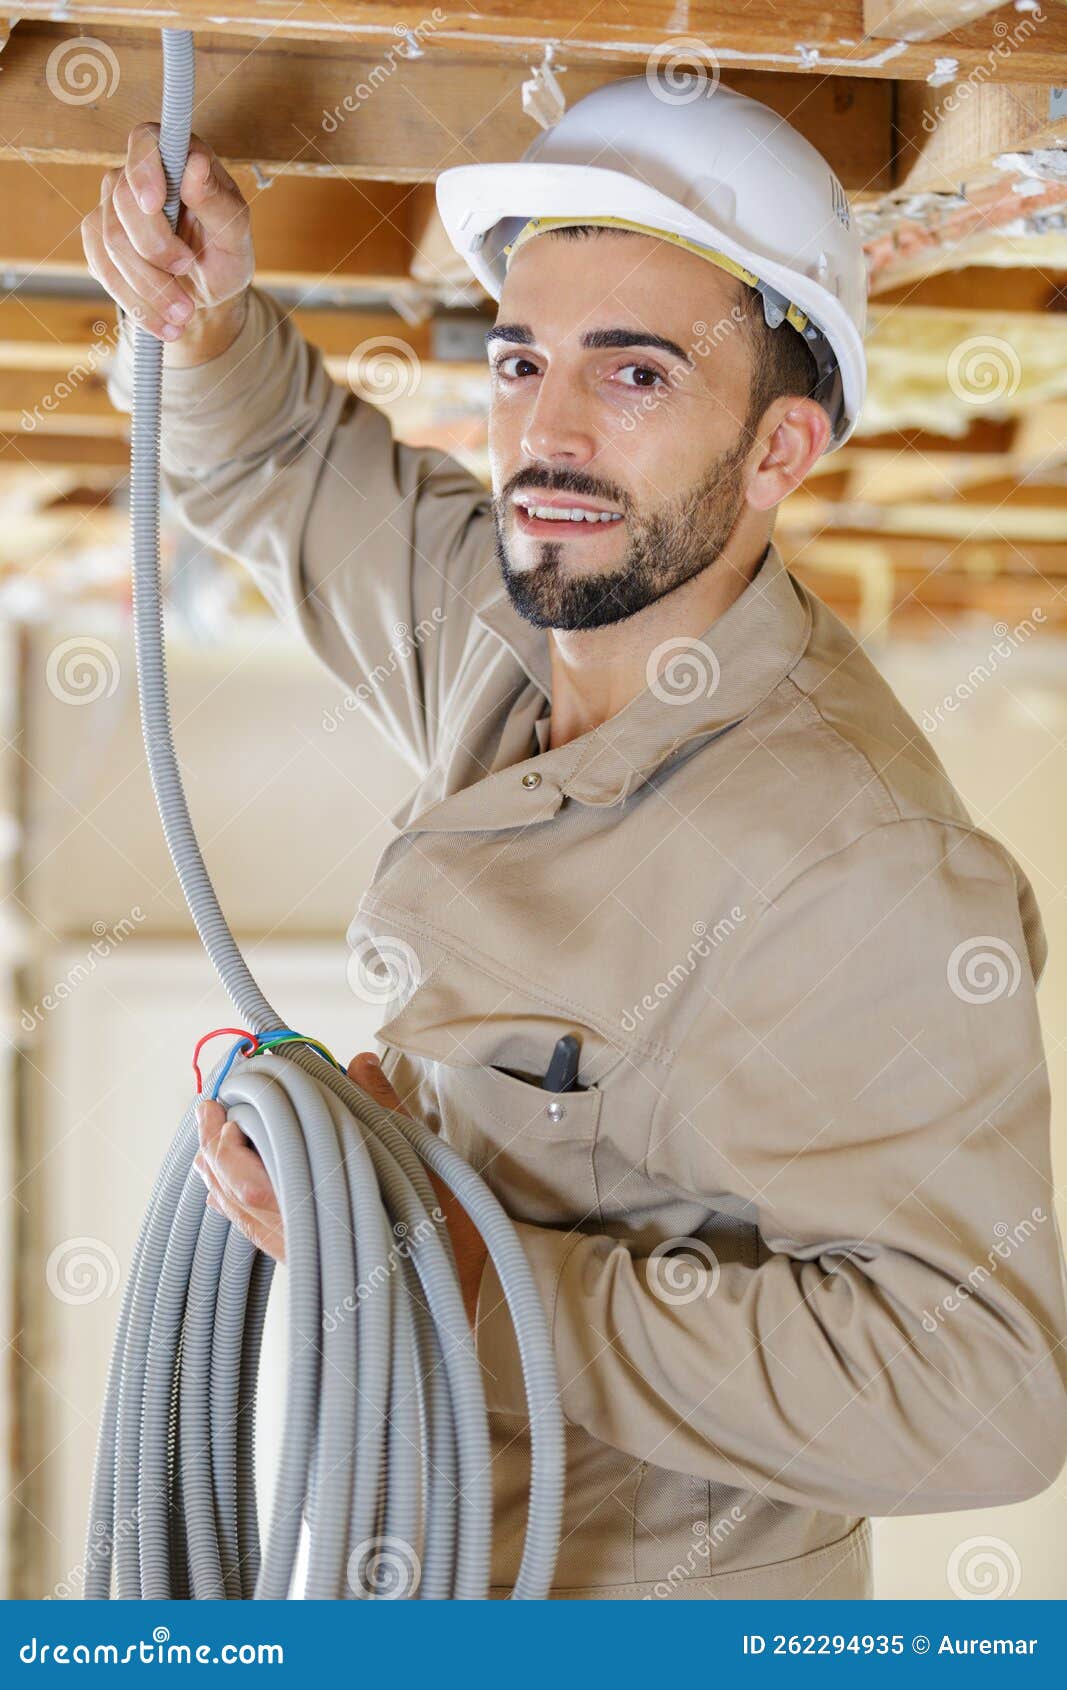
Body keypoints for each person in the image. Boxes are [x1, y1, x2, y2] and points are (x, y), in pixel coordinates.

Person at [85, 76, 1067, 1601]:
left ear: (781, 449)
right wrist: (207, 324)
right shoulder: (528, 622)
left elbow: (981, 1394)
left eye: (634, 377)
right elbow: (286, 463)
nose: (543, 432)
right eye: (523, 357)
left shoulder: (852, 860)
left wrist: (462, 1275)